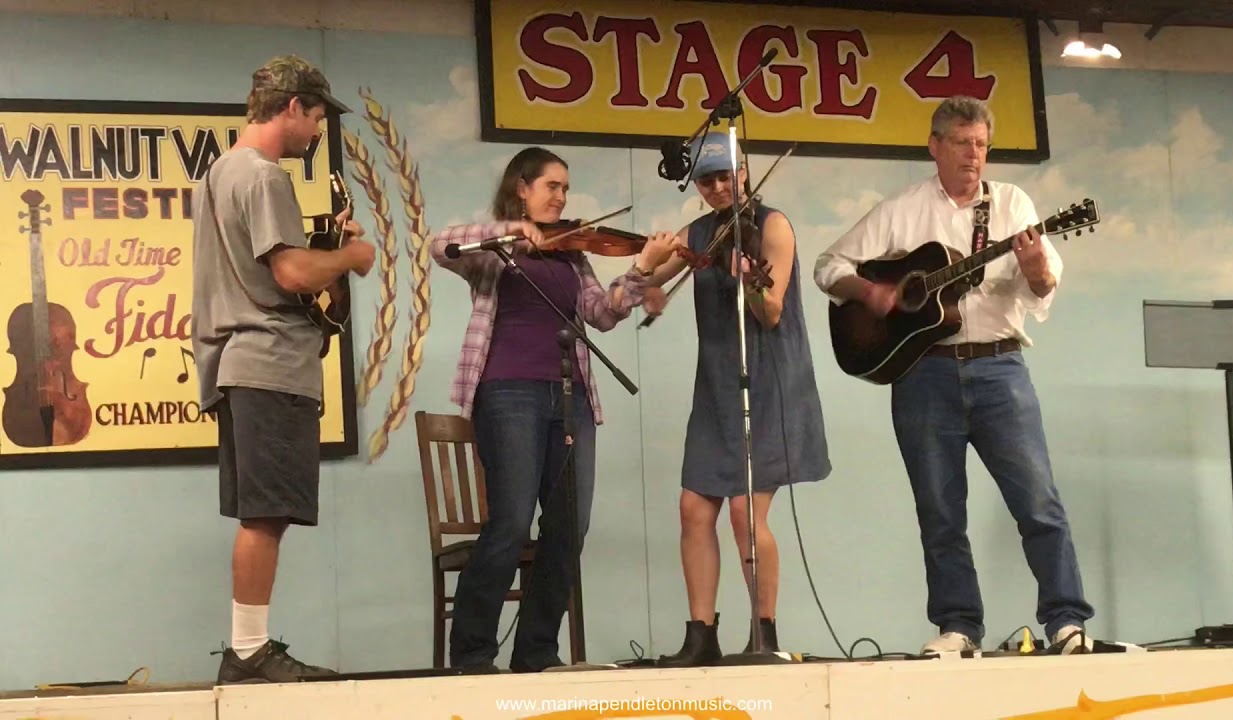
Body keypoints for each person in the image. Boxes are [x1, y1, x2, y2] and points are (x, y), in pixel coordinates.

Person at [813, 95, 1095, 655]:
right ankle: (958, 628)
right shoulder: (904, 209)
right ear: (935, 146)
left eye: (982, 144)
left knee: (1038, 501)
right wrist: (871, 291)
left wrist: (1038, 268)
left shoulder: (1013, 206)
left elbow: (1042, 288)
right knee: (940, 512)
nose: (974, 154)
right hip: (924, 375)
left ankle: (1065, 620)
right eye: (963, 143)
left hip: (1000, 370)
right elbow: (828, 267)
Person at [429, 146, 678, 674]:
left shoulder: (573, 253)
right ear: (522, 187)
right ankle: (471, 655)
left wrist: (641, 270)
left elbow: (600, 314)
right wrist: (511, 235)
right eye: (552, 186)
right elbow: (439, 245)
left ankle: (537, 651)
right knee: (513, 523)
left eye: (565, 188)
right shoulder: (495, 250)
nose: (562, 197)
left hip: (570, 397)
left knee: (569, 527)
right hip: (507, 392)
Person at [191, 55, 376, 684]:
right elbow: (291, 275)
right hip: (268, 362)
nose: (320, 129)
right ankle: (248, 653)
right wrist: (350, 255)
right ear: (293, 106)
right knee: (266, 515)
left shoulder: (219, 173)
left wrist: (319, 248)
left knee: (259, 512)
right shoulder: (265, 176)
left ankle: (247, 649)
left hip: (236, 364)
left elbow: (264, 270)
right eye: (318, 115)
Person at [635, 131, 832, 667]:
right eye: (708, 180)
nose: (720, 187)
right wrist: (648, 273)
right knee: (693, 508)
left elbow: (770, 312)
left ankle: (763, 632)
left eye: (728, 176)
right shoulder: (699, 232)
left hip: (768, 380)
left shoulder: (772, 226)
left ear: (743, 172)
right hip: (718, 384)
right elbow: (651, 276)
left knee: (745, 511)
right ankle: (701, 635)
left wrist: (741, 274)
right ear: (697, 185)